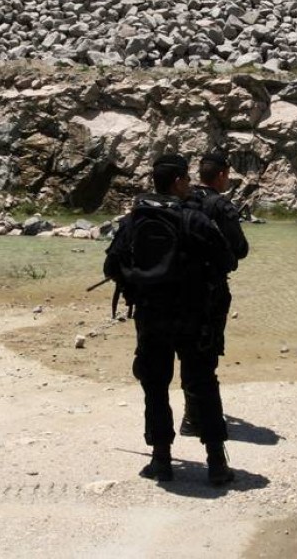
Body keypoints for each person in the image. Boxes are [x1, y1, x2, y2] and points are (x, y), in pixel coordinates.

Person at [103, 154, 237, 485]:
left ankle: (161, 459)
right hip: (194, 316)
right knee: (202, 383)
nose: (190, 184)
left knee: (155, 386)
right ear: (177, 181)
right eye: (187, 179)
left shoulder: (134, 220)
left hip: (151, 316)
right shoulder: (194, 219)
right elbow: (228, 261)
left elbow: (111, 267)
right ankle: (217, 464)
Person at [176, 152, 250, 437]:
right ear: (221, 175)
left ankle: (190, 413)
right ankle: (199, 419)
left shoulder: (184, 199)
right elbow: (240, 248)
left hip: (179, 288)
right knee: (206, 355)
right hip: (211, 289)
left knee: (188, 352)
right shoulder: (219, 205)